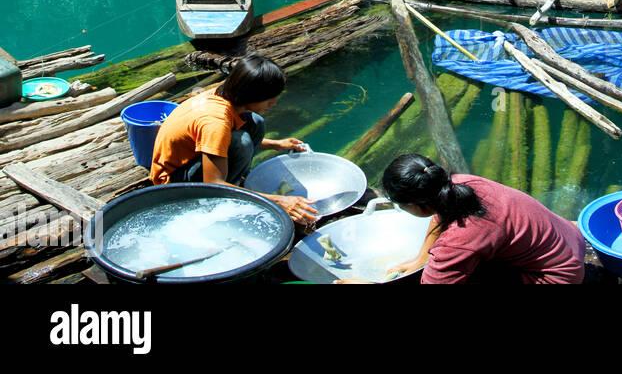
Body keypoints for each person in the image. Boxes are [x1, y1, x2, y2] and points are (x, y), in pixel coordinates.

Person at [344, 154, 586, 284]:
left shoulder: (460, 239)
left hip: (555, 276)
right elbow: (440, 216)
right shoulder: (459, 184)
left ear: (417, 206)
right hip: (569, 242)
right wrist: (420, 259)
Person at [149, 54, 318, 226]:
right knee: (241, 143)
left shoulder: (224, 96)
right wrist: (279, 201)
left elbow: (219, 141)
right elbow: (214, 184)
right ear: (251, 95)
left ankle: (238, 180)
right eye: (269, 98)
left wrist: (276, 144)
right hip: (172, 184)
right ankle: (224, 200)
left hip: (191, 160)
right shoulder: (216, 122)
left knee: (255, 122)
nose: (274, 103)